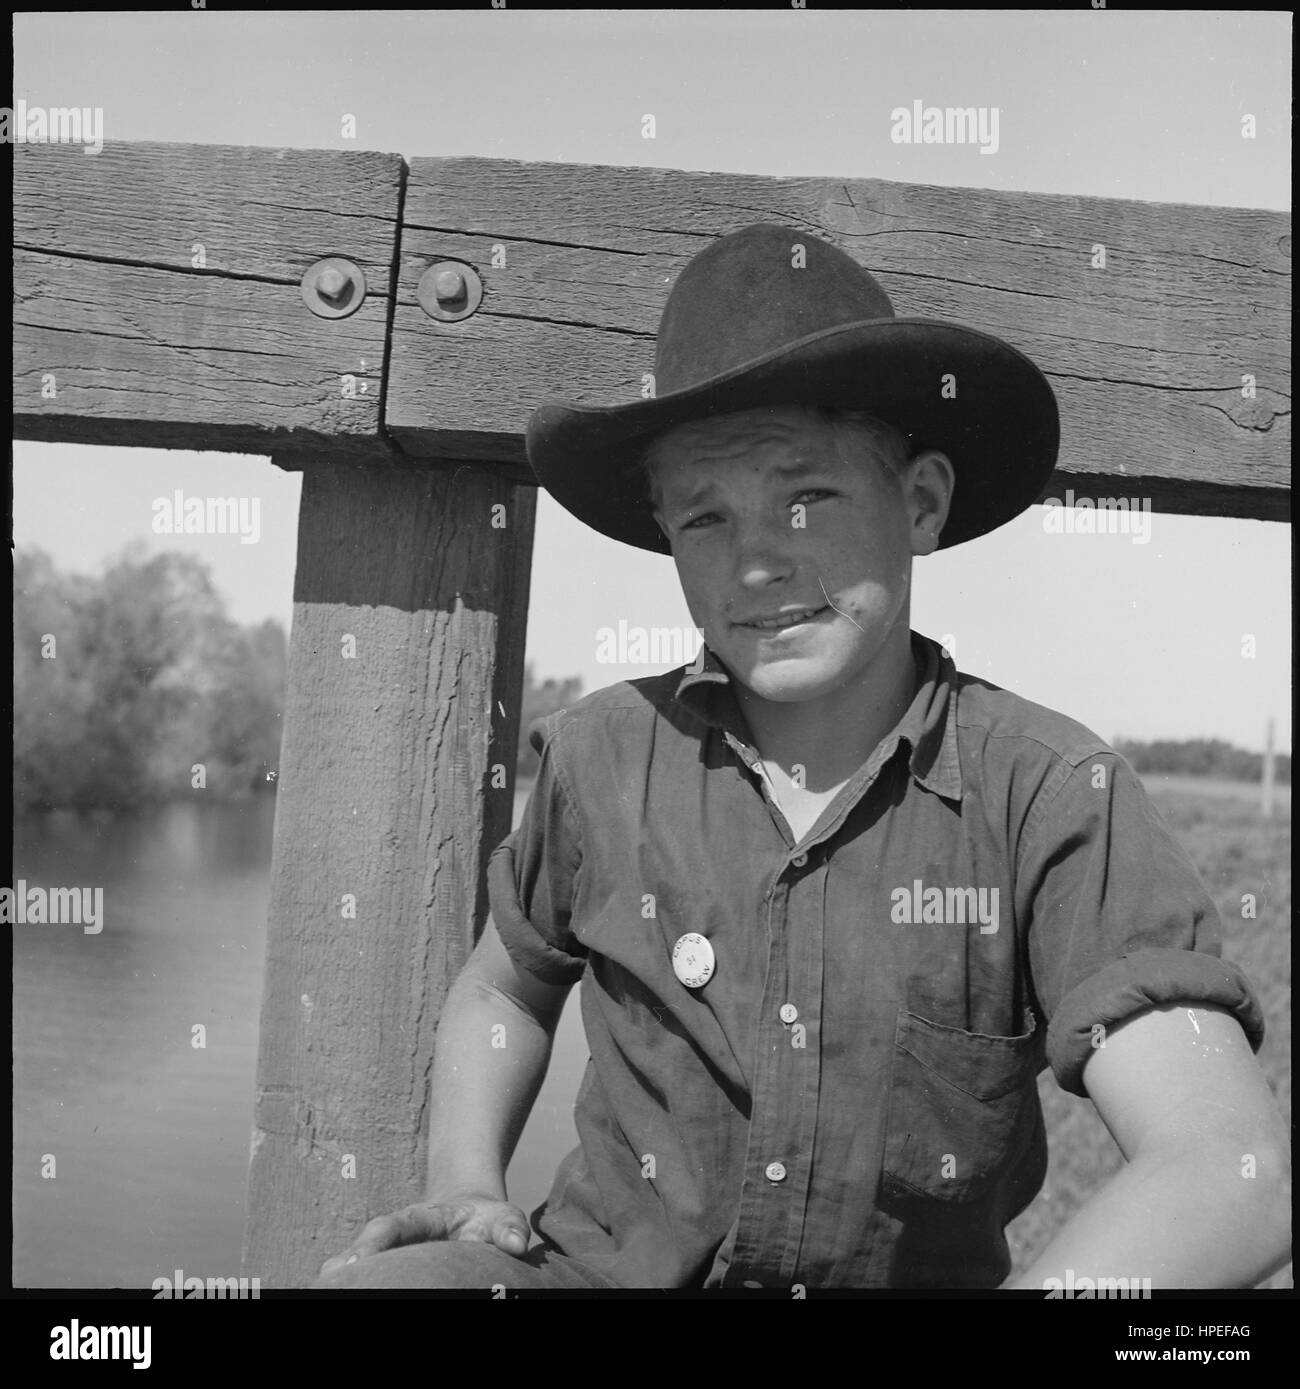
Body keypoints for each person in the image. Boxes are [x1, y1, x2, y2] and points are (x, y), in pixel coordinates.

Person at [315, 224, 1289, 1291]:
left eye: (806, 497)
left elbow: (1231, 1166)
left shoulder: (1048, 796)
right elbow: (505, 990)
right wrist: (469, 1178)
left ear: (918, 503)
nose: (759, 558)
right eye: (703, 517)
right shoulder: (600, 759)